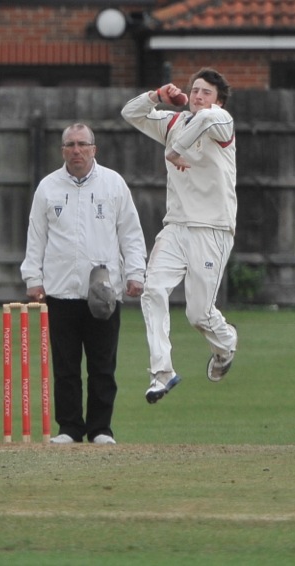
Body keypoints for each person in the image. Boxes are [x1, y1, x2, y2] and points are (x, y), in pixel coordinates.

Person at [21, 124, 147, 444]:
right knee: (65, 367)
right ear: (62, 150)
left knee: (102, 365)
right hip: (61, 290)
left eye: (82, 144)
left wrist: (136, 273)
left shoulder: (113, 184)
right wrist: (33, 279)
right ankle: (70, 428)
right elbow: (36, 237)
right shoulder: (48, 187)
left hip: (103, 292)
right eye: (70, 145)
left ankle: (101, 429)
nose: (76, 150)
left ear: (94, 149)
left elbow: (130, 232)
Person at [121, 68, 239, 403]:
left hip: (212, 227)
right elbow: (130, 113)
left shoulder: (222, 122)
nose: (199, 96)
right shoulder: (176, 123)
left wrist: (174, 152)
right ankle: (162, 372)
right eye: (195, 91)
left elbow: (205, 120)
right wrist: (158, 96)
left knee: (198, 315)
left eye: (206, 92)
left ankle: (226, 343)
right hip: (177, 224)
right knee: (152, 290)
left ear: (219, 100)